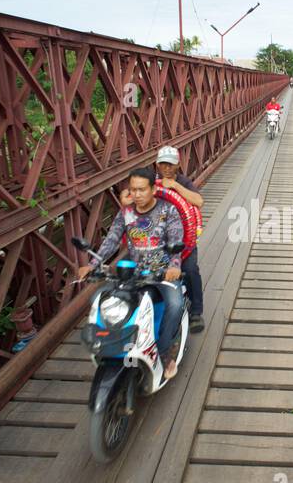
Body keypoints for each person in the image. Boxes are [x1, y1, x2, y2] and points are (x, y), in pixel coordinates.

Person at [78, 167, 187, 377]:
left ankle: (165, 353)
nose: (137, 195)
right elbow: (112, 239)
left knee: (174, 305)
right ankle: (113, 346)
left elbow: (176, 240)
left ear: (153, 189)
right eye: (133, 190)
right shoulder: (126, 213)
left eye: (142, 190)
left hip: (162, 272)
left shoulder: (169, 211)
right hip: (133, 272)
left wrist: (174, 266)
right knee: (99, 299)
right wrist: (93, 264)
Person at [153, 146, 206, 334]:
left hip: (184, 238)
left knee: (191, 269)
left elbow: (198, 201)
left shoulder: (183, 181)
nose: (167, 168)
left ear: (177, 166)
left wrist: (175, 186)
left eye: (171, 165)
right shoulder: (151, 182)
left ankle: (196, 312)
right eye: (163, 164)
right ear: (157, 165)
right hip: (156, 236)